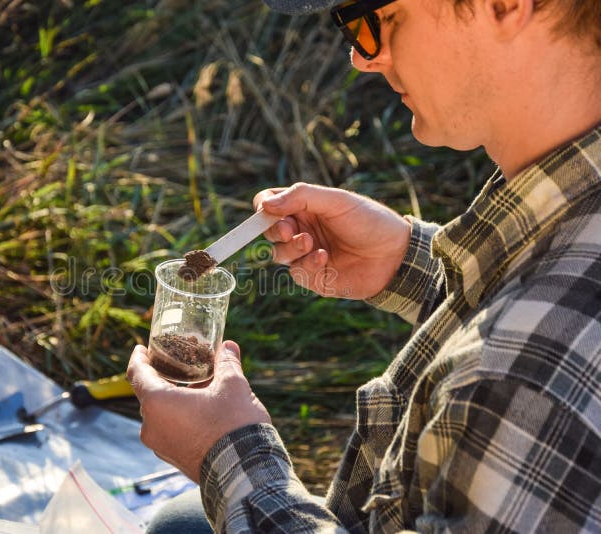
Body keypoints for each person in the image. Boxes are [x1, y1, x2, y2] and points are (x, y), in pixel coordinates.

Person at [127, 0, 601, 531]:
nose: (361, 58)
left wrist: (228, 455)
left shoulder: (526, 380)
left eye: (375, 18)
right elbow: (538, 291)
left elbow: (528, 342)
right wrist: (408, 260)